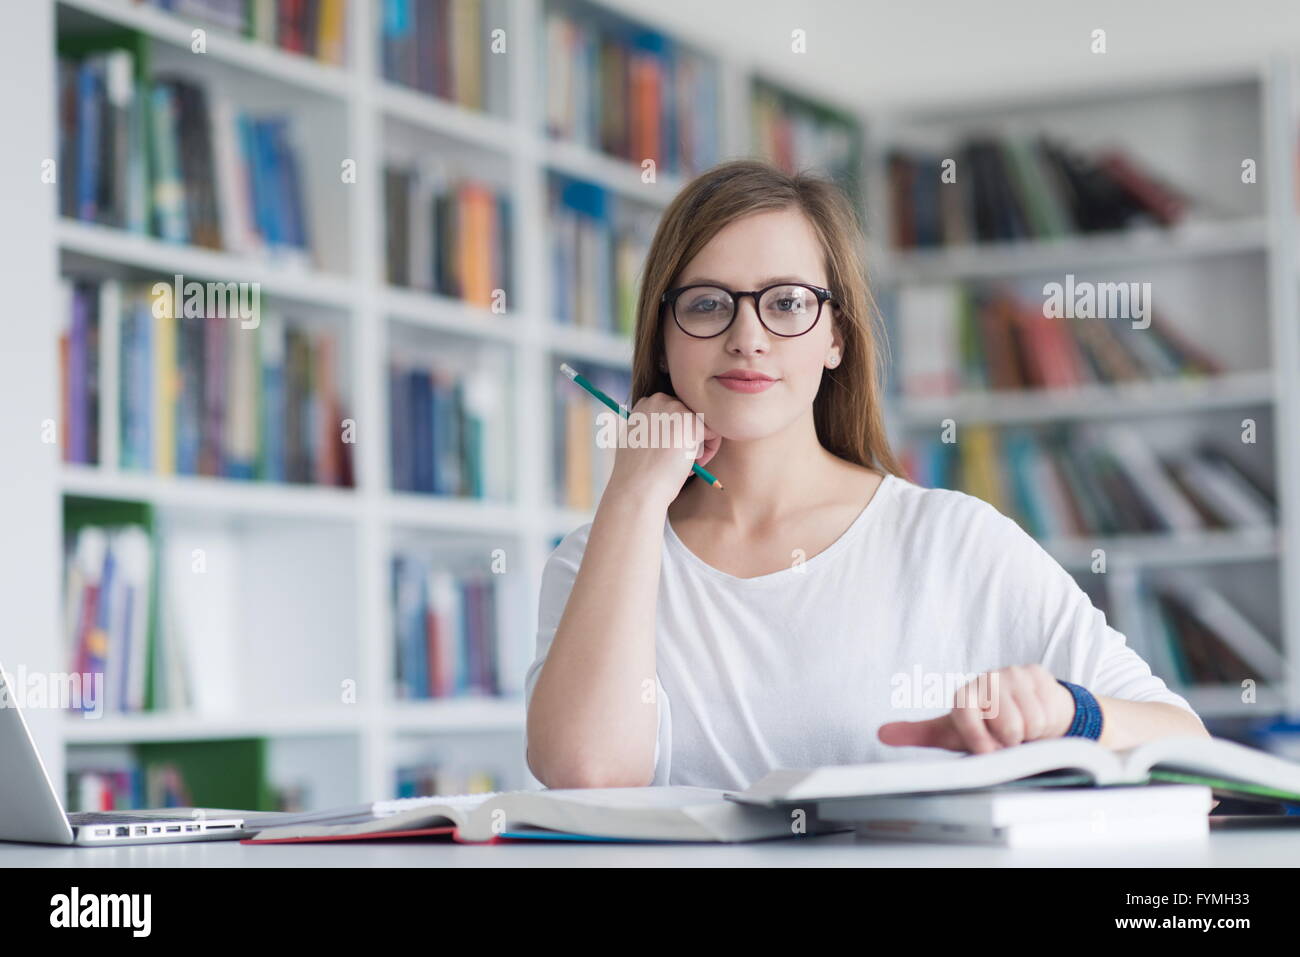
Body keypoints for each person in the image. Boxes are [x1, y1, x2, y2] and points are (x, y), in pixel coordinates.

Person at [525, 158, 1208, 792]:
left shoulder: (951, 540)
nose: (747, 335)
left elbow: (1194, 758)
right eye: (707, 303)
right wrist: (634, 497)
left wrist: (1069, 713)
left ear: (836, 336)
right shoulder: (599, 557)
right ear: (662, 335)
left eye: (787, 302)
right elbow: (589, 772)